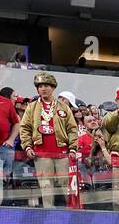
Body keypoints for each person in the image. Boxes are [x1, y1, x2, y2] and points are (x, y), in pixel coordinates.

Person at [18, 71, 78, 209]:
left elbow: (72, 129)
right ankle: (48, 215)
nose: (43, 88)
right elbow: (24, 128)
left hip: (62, 153)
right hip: (41, 154)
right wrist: (27, 146)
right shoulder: (31, 107)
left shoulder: (64, 107)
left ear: (53, 87)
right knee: (46, 186)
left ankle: (71, 213)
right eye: (40, 86)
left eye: (46, 85)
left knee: (65, 185)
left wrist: (73, 148)